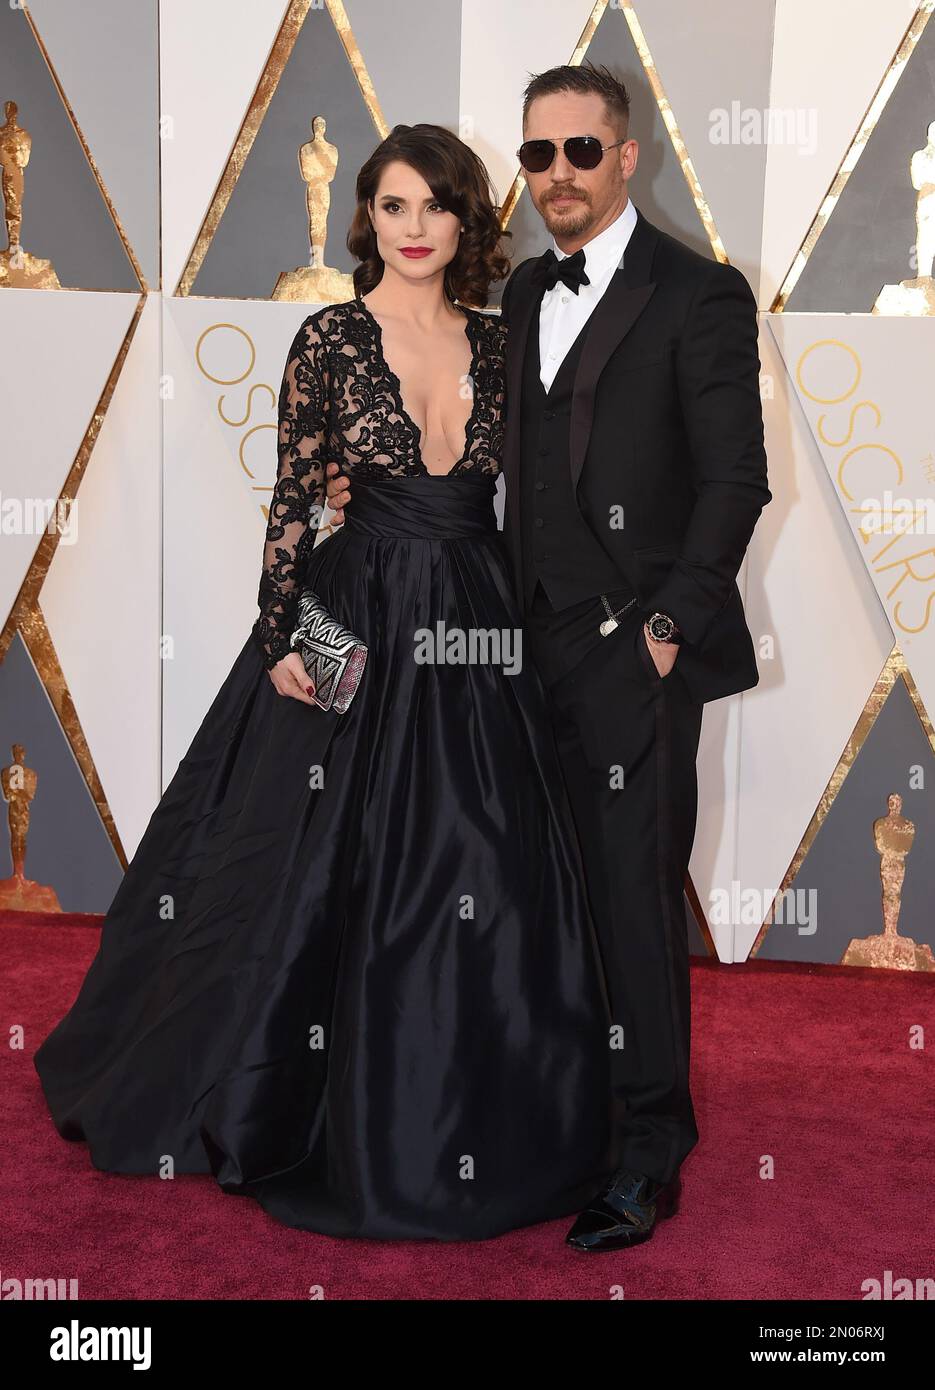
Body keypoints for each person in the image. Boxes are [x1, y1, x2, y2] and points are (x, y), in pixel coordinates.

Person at [33, 123, 618, 1242]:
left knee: (484, 856)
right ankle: (281, 1089)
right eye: (391, 207)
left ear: (466, 222)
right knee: (307, 849)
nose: (411, 230)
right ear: (366, 217)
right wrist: (284, 637)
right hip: (348, 612)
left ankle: (483, 1105)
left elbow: (532, 499)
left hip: (473, 622)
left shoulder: (504, 345)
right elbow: (296, 500)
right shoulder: (329, 339)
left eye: (434, 208)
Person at [326, 65, 772, 1251]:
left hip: (631, 657)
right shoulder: (519, 292)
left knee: (631, 906)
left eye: (581, 151)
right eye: (537, 156)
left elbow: (736, 480)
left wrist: (666, 632)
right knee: (536, 901)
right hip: (509, 648)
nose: (558, 175)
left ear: (626, 158)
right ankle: (561, 1120)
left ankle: (644, 1154)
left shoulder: (700, 292)